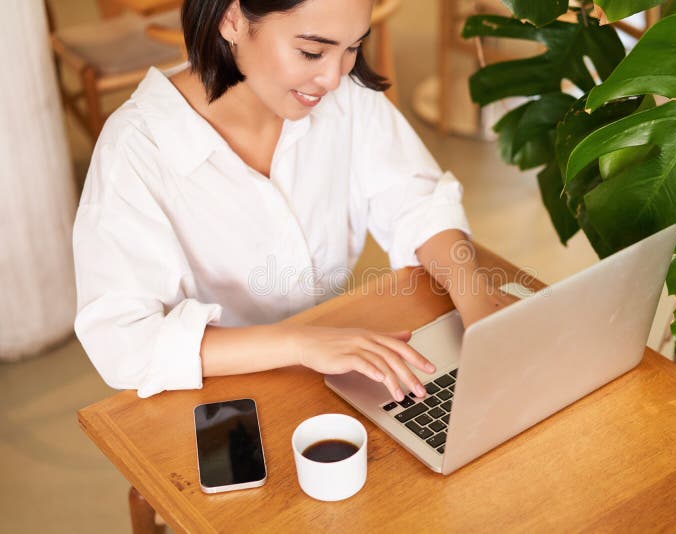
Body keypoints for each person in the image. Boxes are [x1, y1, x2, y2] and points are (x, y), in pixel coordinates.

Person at [73, 0, 514, 401]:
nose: (334, 77)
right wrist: (301, 343)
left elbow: (415, 200)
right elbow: (124, 342)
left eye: (352, 47)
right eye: (311, 51)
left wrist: (472, 292)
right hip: (214, 398)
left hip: (333, 373)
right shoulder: (136, 150)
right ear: (232, 20)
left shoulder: (344, 96)